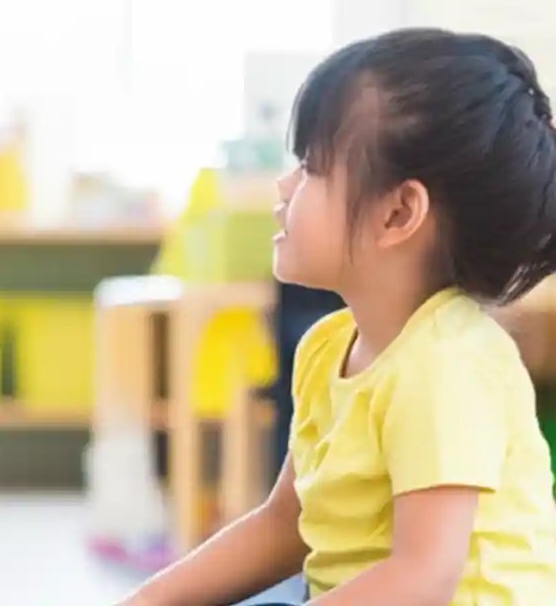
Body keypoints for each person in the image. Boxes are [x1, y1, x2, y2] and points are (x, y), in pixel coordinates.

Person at [121, 29, 556, 605]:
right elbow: (284, 525)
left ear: (398, 213)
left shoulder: (447, 363)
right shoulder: (327, 347)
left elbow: (422, 580)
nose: (284, 185)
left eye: (311, 166)